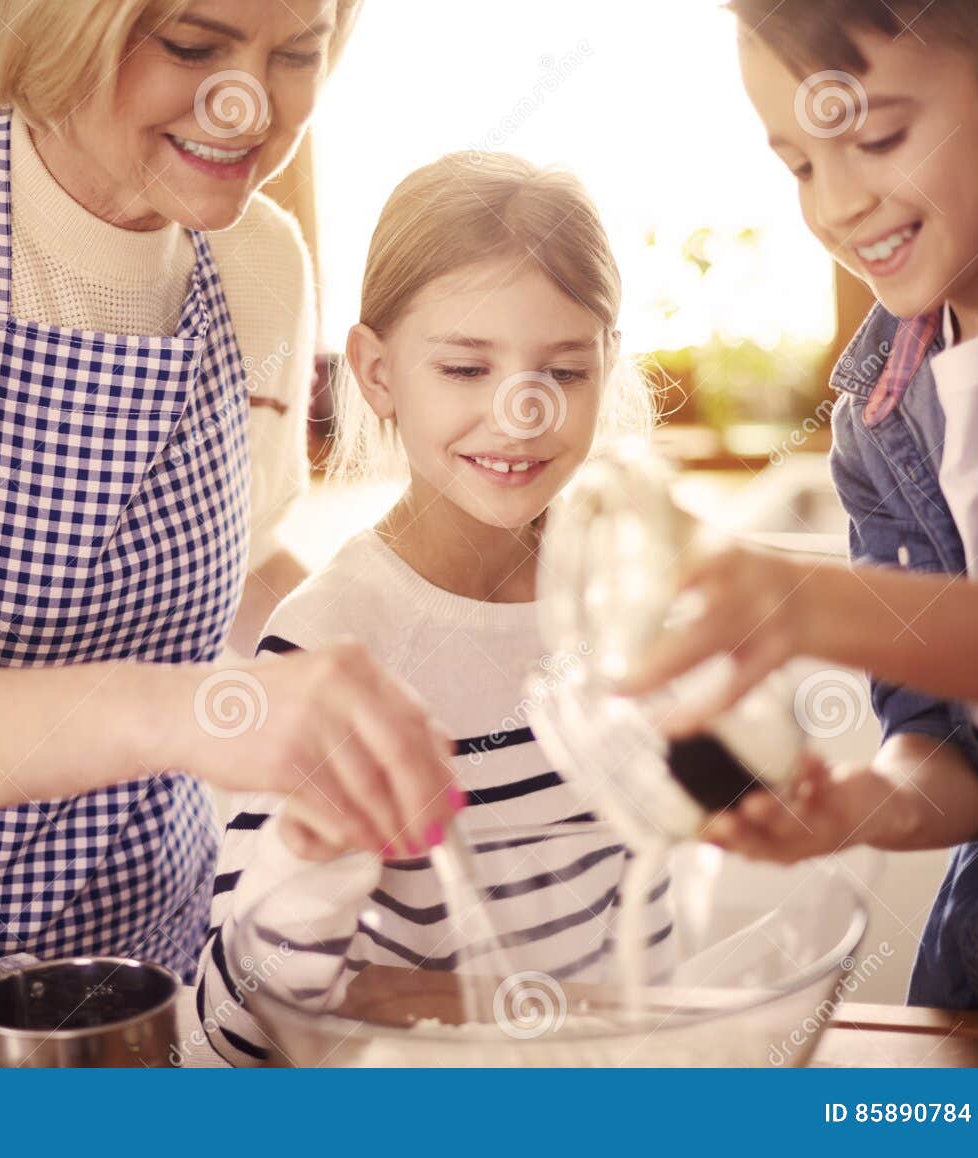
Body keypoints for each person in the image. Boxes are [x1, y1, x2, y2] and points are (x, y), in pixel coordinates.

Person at [0, 0, 460, 1066]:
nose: (250, 103)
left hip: (142, 954)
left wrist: (384, 675)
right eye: (192, 47)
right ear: (64, 27)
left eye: (297, 53)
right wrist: (192, 711)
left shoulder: (260, 267)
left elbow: (235, 569)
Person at [629, 0, 978, 1017]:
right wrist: (861, 805)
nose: (835, 202)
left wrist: (799, 602)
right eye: (798, 163)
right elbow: (943, 741)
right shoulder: (879, 410)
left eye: (876, 137)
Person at [195, 152, 674, 1065]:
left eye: (564, 374)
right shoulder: (330, 645)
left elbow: (642, 922)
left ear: (608, 367)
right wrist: (313, 847)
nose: (522, 414)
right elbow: (237, 1027)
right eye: (464, 368)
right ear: (377, 372)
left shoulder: (623, 596)